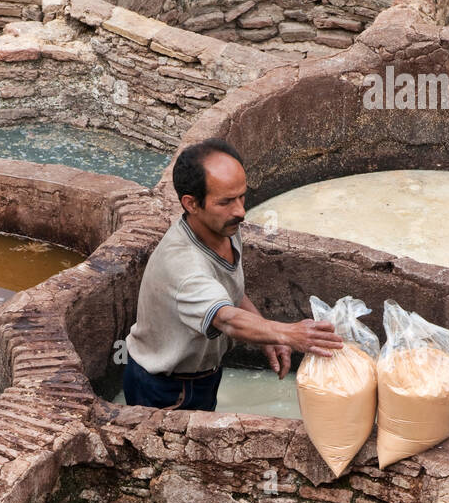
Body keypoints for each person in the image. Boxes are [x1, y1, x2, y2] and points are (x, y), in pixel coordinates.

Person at [123, 138, 343, 411]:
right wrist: (289, 334)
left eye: (242, 196)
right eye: (226, 201)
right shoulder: (184, 266)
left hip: (201, 374)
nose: (240, 211)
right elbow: (225, 318)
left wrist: (268, 332)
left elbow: (230, 294)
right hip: (167, 386)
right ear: (191, 203)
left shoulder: (222, 227)